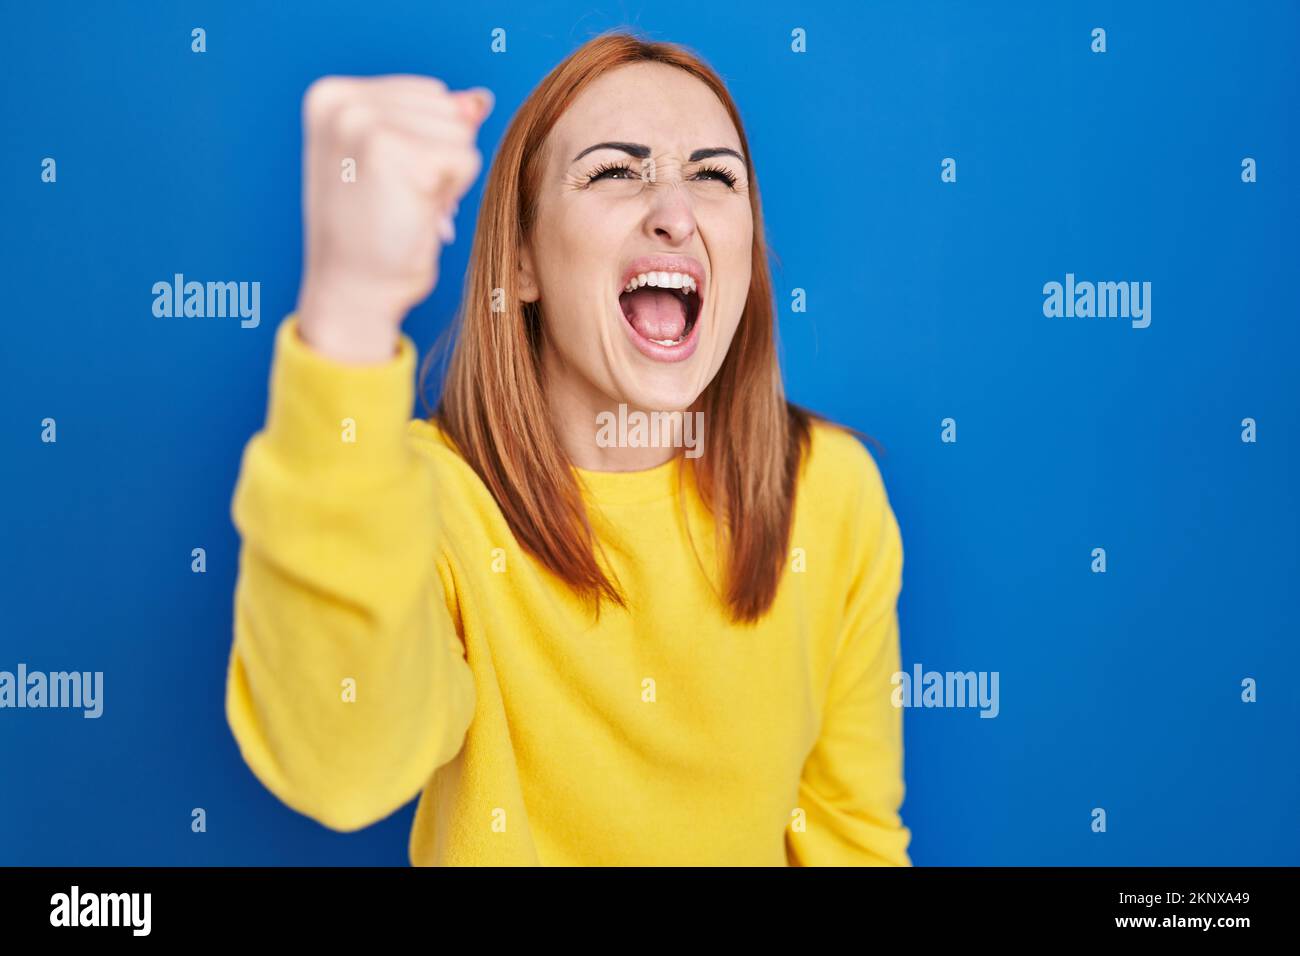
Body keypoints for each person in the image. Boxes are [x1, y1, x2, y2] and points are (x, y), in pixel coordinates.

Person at [224, 30, 911, 866]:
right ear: (519, 260)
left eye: (715, 175)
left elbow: (850, 841)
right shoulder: (427, 501)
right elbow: (341, 766)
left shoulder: (830, 492)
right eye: (617, 172)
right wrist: (350, 305)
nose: (676, 213)